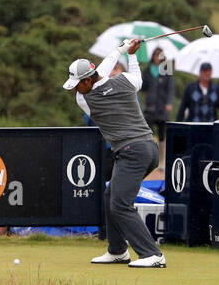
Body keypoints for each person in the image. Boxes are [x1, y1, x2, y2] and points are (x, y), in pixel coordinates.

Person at [63, 39, 165, 268]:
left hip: (132, 151)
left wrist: (121, 50)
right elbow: (133, 77)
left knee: (120, 204)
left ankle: (152, 254)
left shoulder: (86, 98)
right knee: (111, 197)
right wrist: (130, 55)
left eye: (78, 84)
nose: (76, 90)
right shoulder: (126, 82)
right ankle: (118, 250)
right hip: (148, 148)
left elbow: (103, 69)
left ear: (88, 80)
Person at [140, 47, 174, 147]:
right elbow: (143, 87)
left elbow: (170, 88)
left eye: (159, 55)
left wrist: (169, 102)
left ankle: (162, 156)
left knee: (162, 134)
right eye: (156, 54)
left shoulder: (167, 70)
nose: (157, 57)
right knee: (148, 131)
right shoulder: (147, 70)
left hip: (162, 107)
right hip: (150, 106)